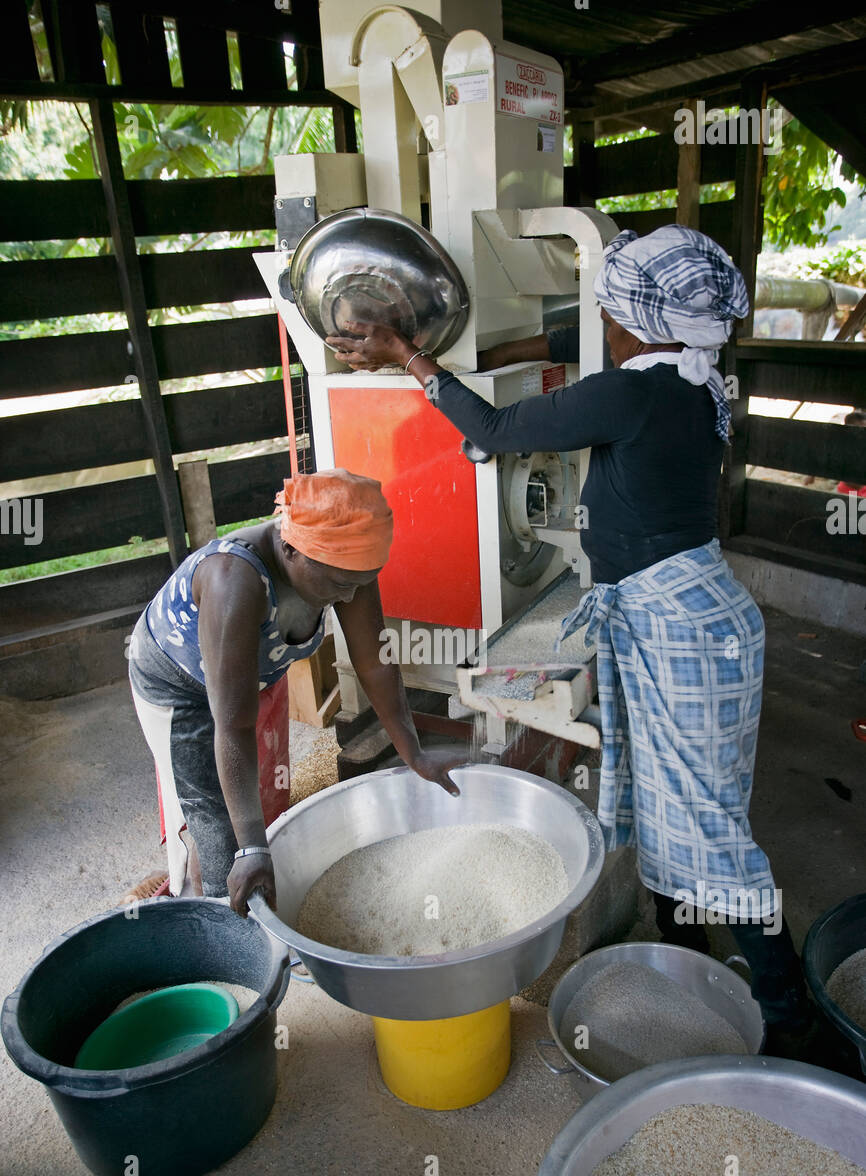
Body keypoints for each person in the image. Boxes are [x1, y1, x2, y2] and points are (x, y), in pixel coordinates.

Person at [325, 224, 849, 1068]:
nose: (600, 317)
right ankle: (691, 963)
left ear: (641, 318)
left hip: (677, 631)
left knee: (710, 831)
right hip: (691, 621)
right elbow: (573, 340)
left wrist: (407, 360)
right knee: (676, 807)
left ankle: (791, 1019)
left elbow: (493, 432)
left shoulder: (636, 390)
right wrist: (468, 339)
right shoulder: (692, 374)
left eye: (612, 303)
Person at [128, 469, 465, 917]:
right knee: (218, 821)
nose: (351, 595)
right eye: (341, 583)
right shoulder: (235, 581)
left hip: (253, 674)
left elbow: (375, 664)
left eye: (362, 581)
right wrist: (250, 850)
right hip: (177, 685)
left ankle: (222, 878)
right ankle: (213, 917)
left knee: (261, 795)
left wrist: (415, 754)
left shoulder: (346, 568)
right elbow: (233, 725)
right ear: (289, 550)